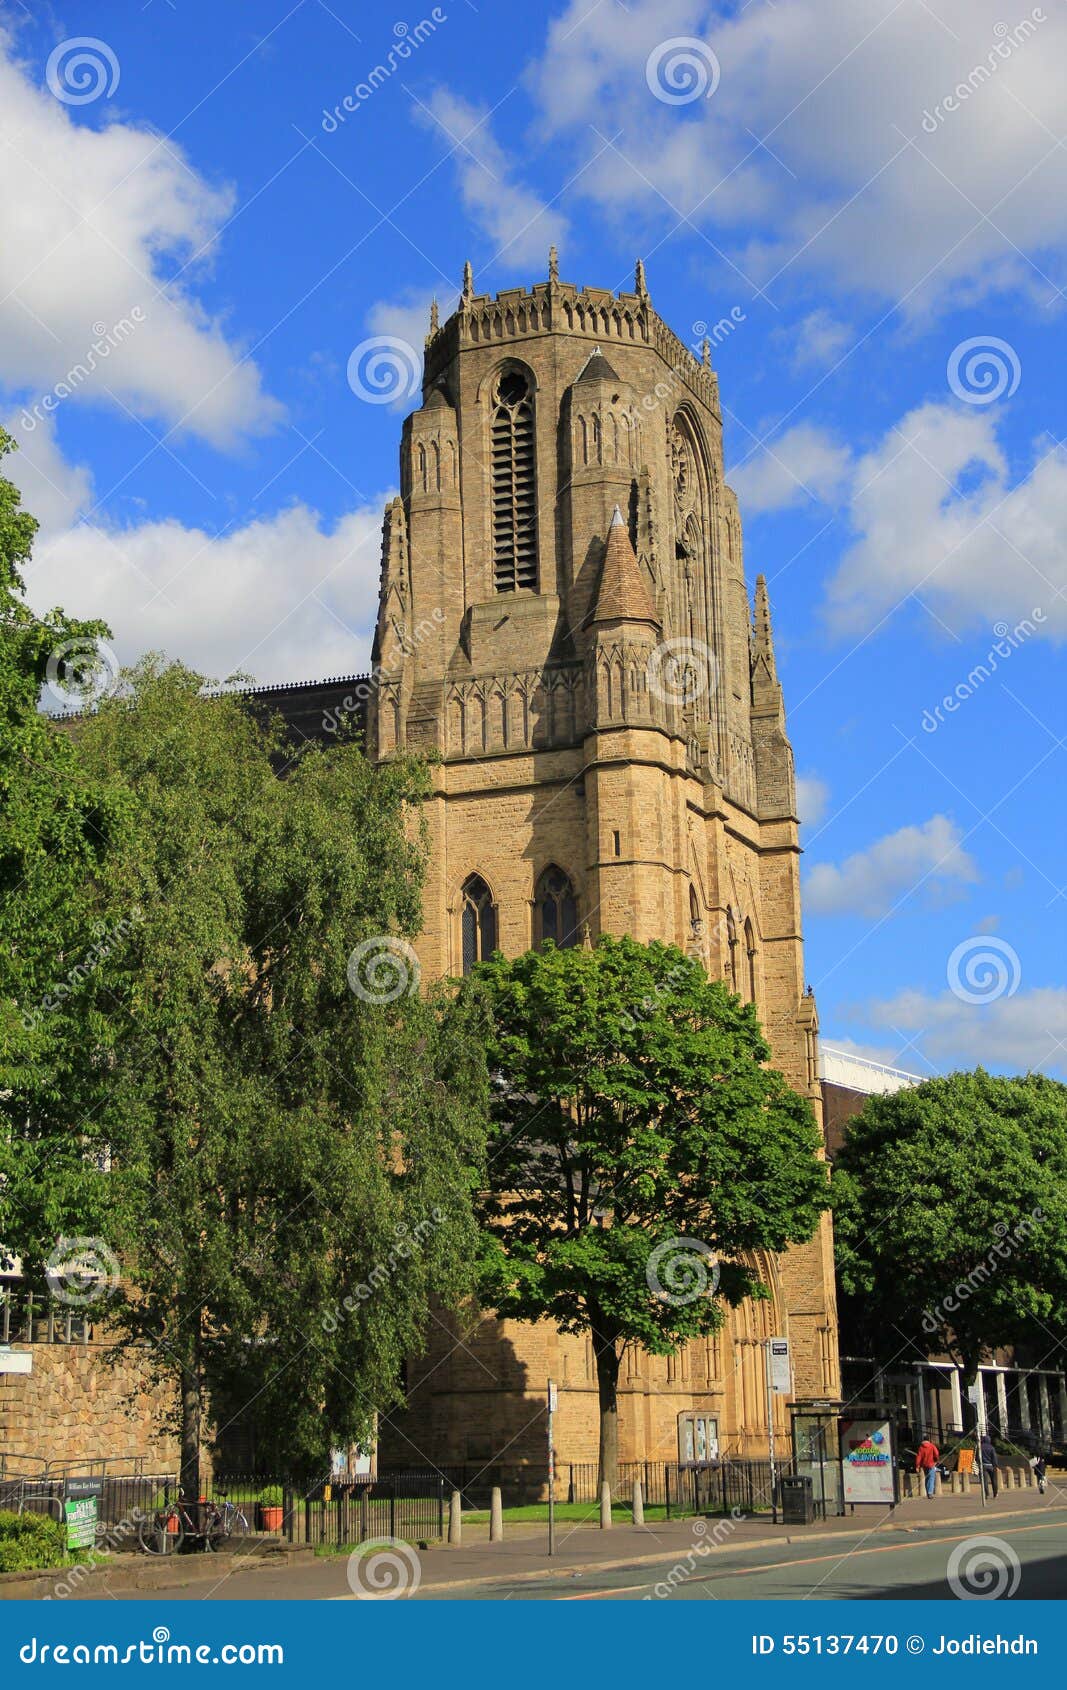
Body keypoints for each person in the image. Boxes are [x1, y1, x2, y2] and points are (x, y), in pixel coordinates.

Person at [979, 1432, 999, 1498]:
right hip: (991, 1465)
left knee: (985, 1480)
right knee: (994, 1480)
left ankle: (986, 1494)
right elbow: (994, 1458)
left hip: (983, 1465)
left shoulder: (980, 1447)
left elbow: (977, 1457)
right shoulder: (992, 1448)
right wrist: (995, 1465)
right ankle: (995, 1493)